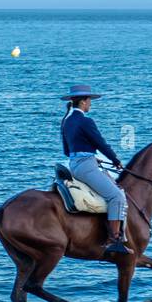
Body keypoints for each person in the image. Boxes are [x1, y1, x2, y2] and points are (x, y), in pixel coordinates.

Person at [59, 83, 128, 255]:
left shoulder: (66, 121)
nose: (90, 104)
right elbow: (100, 143)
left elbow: (67, 150)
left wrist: (89, 154)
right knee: (116, 196)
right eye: (89, 100)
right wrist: (115, 160)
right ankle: (113, 240)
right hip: (86, 166)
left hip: (74, 164)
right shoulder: (85, 121)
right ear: (83, 101)